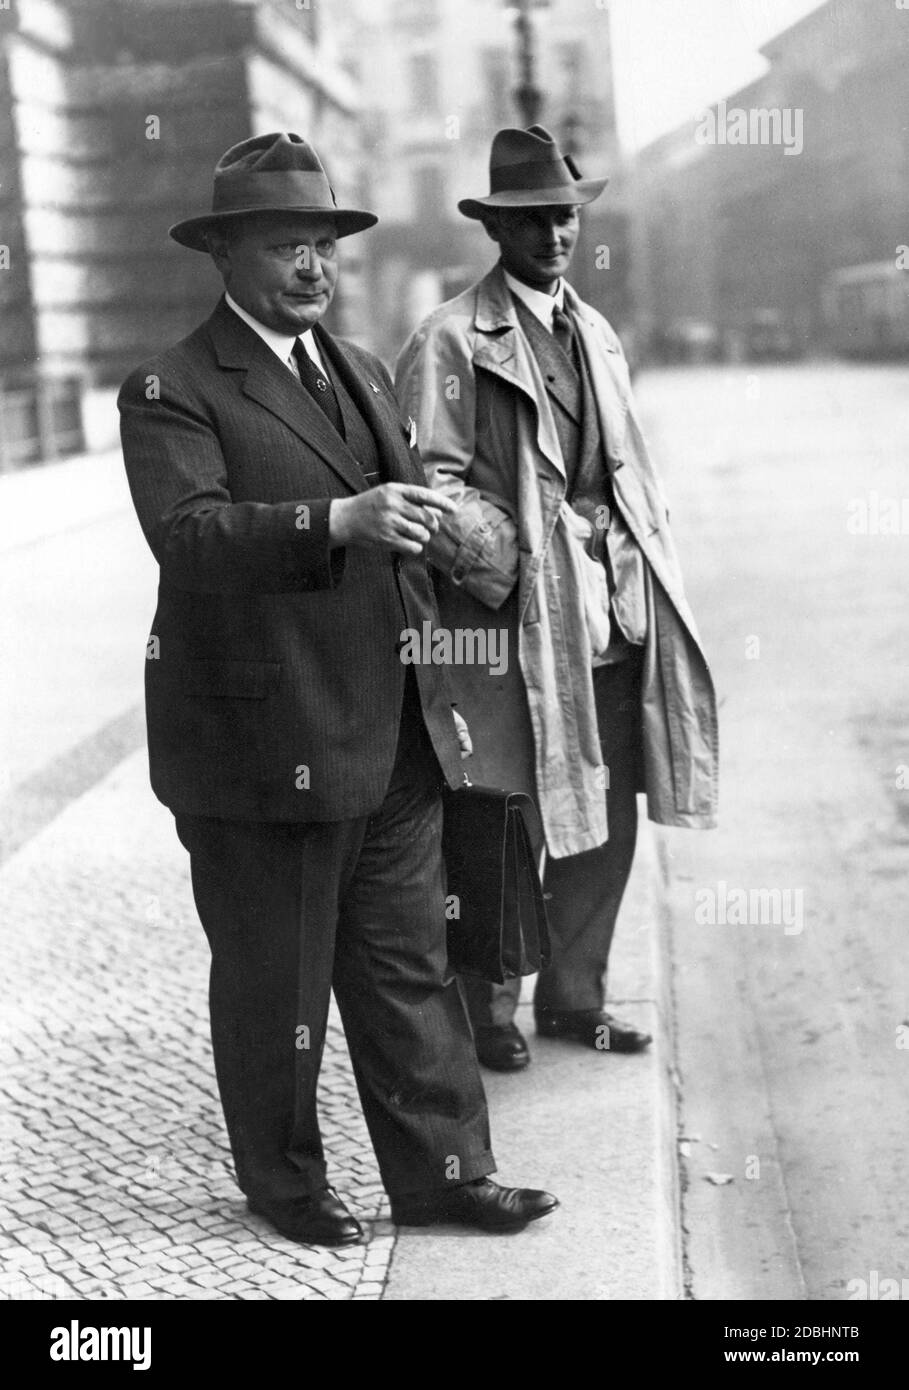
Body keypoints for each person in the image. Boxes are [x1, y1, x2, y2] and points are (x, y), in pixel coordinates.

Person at [118, 131, 558, 1243]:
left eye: (322, 243)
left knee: (409, 966)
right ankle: (286, 1186)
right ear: (225, 256)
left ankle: (447, 1174)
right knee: (278, 984)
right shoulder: (172, 387)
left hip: (390, 729)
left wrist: (458, 539)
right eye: (286, 246)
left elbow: (407, 516)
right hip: (266, 748)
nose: (313, 265)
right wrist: (337, 519)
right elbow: (188, 536)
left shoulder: (359, 367)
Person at [395, 126, 718, 1074]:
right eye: (533, 218)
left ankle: (577, 996)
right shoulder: (451, 338)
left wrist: (630, 550)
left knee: (605, 800)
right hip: (506, 626)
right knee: (506, 816)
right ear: (497, 229)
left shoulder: (595, 330)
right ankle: (487, 1007)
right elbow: (425, 484)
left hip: (609, 607)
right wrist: (520, 557)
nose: (554, 233)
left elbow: (624, 467)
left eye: (565, 216)